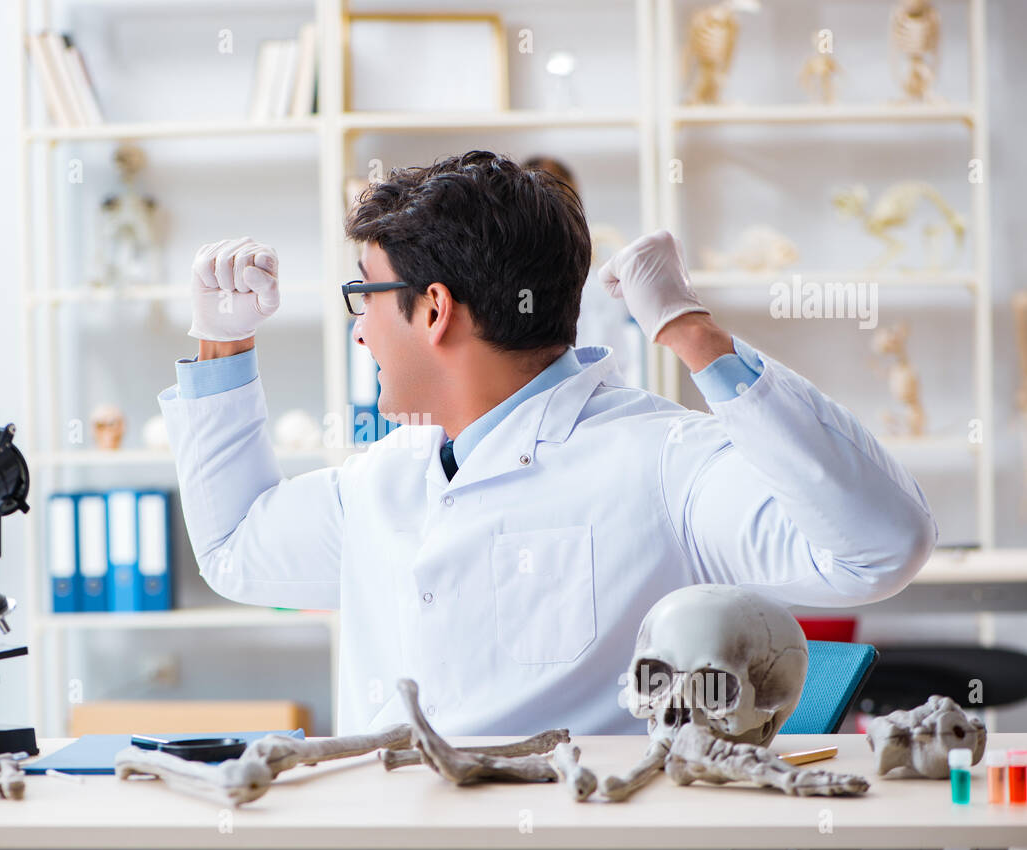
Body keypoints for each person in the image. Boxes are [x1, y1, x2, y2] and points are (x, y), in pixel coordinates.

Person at [156, 150, 937, 736]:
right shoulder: (383, 480)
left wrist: (697, 339)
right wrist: (221, 348)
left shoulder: (662, 462)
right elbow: (235, 549)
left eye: (365, 294)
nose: (358, 328)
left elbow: (878, 549)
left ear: (434, 310)